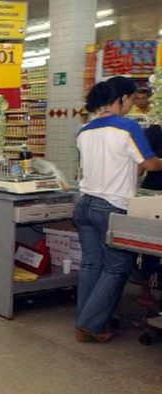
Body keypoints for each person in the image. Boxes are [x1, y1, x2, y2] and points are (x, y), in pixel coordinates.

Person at [75, 76, 162, 343]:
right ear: (121, 99)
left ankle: (87, 318)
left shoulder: (84, 130)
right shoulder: (127, 127)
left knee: (91, 264)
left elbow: (116, 164)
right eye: (130, 100)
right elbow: (150, 165)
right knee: (116, 268)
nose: (131, 106)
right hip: (112, 207)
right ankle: (90, 324)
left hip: (85, 204)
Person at [136, 123, 162, 307]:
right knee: (151, 246)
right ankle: (145, 288)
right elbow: (142, 165)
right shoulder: (154, 132)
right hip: (153, 195)